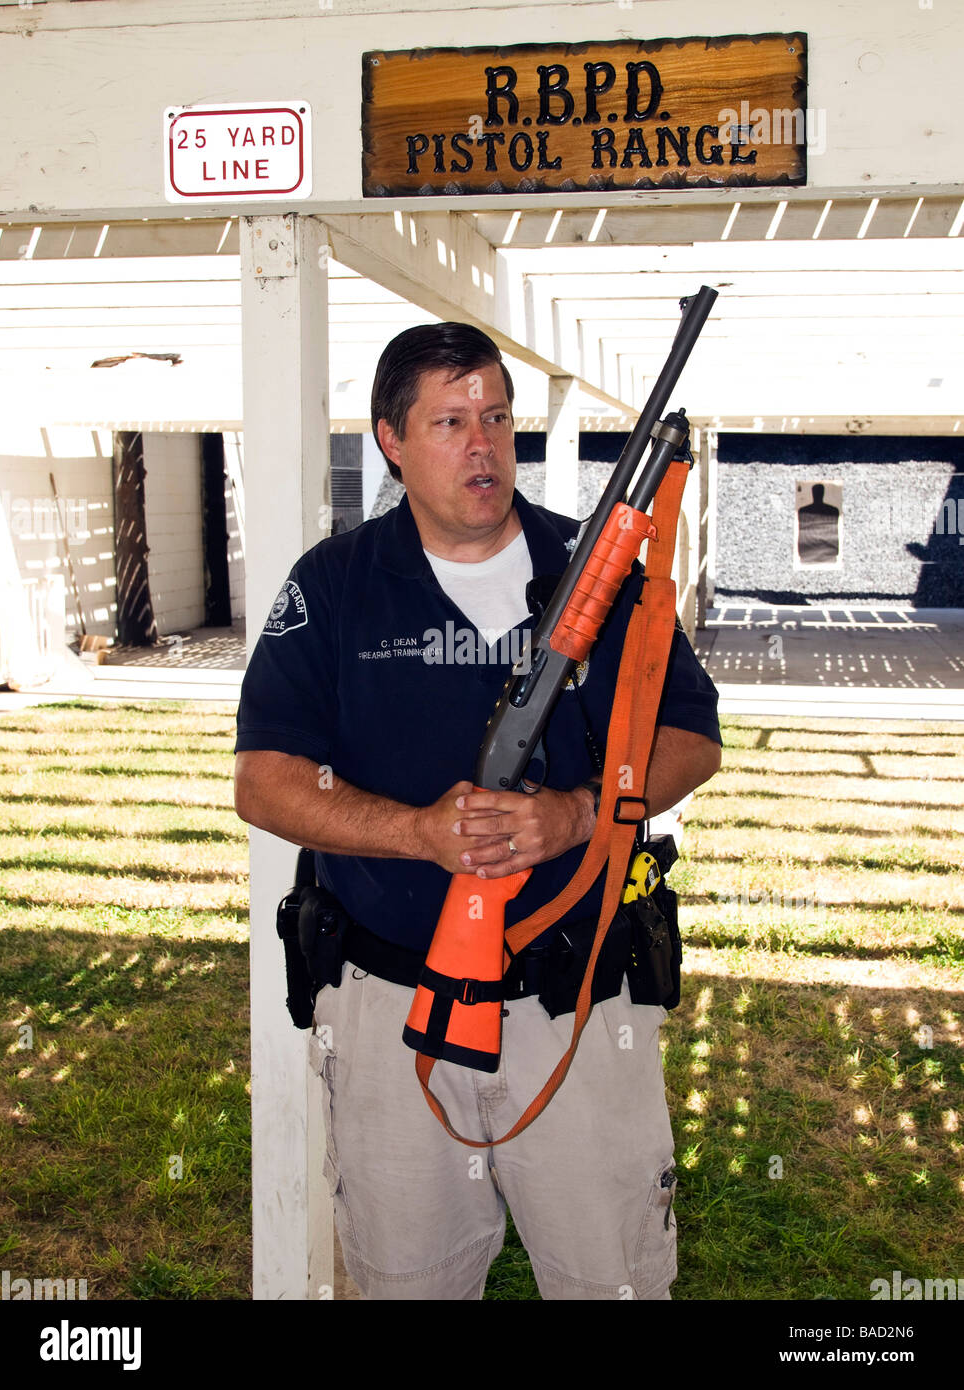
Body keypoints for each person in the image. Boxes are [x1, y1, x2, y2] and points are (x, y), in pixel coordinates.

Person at [234, 322, 722, 1300]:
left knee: (609, 1279)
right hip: (390, 1005)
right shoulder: (333, 586)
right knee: (405, 1281)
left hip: (576, 1003)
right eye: (449, 421)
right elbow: (265, 780)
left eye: (495, 418)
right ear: (391, 441)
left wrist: (580, 815)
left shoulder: (596, 569)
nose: (481, 444)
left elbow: (690, 739)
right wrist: (415, 831)